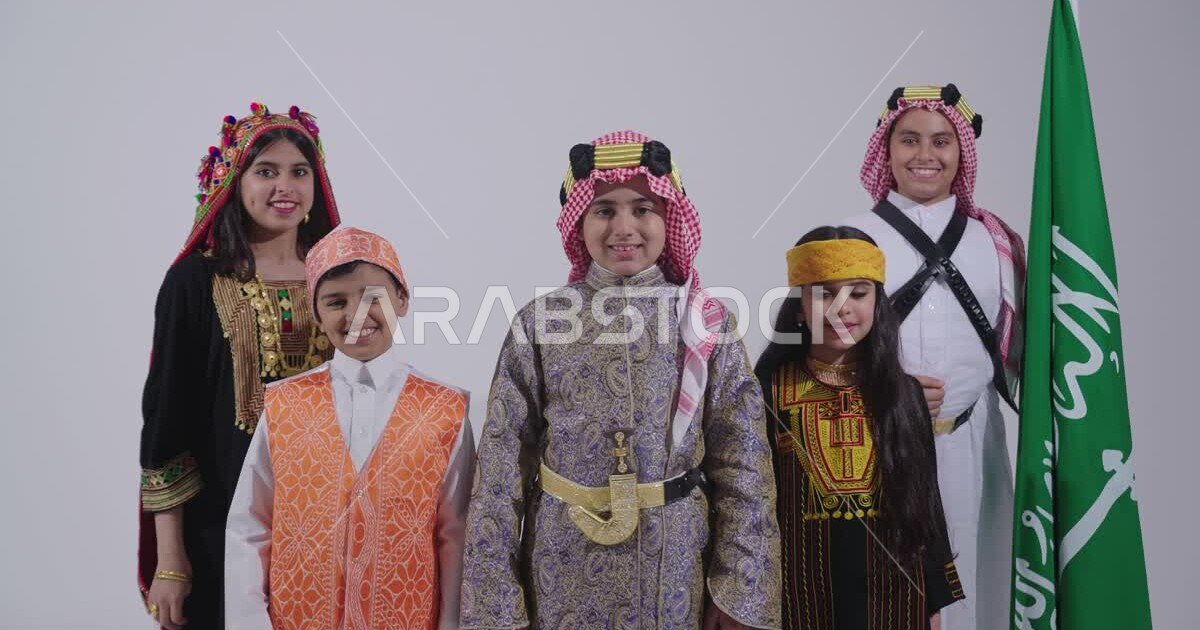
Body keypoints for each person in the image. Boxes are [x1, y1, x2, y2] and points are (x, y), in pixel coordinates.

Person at [459, 131, 781, 629]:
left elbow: (744, 469)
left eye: (643, 209)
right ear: (579, 223)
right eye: (604, 210)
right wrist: (498, 605)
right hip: (561, 574)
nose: (624, 227)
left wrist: (739, 591)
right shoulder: (540, 325)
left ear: (668, 218)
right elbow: (500, 473)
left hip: (674, 573)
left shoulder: (706, 324)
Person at [138, 102, 339, 629]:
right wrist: (171, 560)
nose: (286, 187)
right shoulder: (194, 283)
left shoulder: (340, 274)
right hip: (218, 532)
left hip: (328, 525)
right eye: (266, 171)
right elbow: (166, 421)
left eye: (300, 172)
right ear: (233, 180)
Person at [224, 226, 474, 629]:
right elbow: (250, 526)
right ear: (317, 313)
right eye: (336, 301)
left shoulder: (445, 409)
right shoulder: (285, 404)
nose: (356, 314)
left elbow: (455, 535)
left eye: (372, 297)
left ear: (403, 300)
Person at [841, 84, 1026, 630]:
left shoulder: (997, 243)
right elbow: (817, 354)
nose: (925, 155)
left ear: (962, 151)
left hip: (973, 445)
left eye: (942, 141)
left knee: (975, 596)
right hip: (877, 450)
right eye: (909, 140)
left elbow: (1022, 352)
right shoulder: (853, 241)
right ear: (887, 149)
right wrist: (880, 392)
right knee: (885, 599)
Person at [756, 226, 962, 630]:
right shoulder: (764, 394)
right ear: (799, 307)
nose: (841, 308)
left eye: (858, 292)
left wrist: (933, 607)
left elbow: (926, 506)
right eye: (824, 293)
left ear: (878, 304)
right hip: (797, 599)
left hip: (895, 600)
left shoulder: (905, 396)